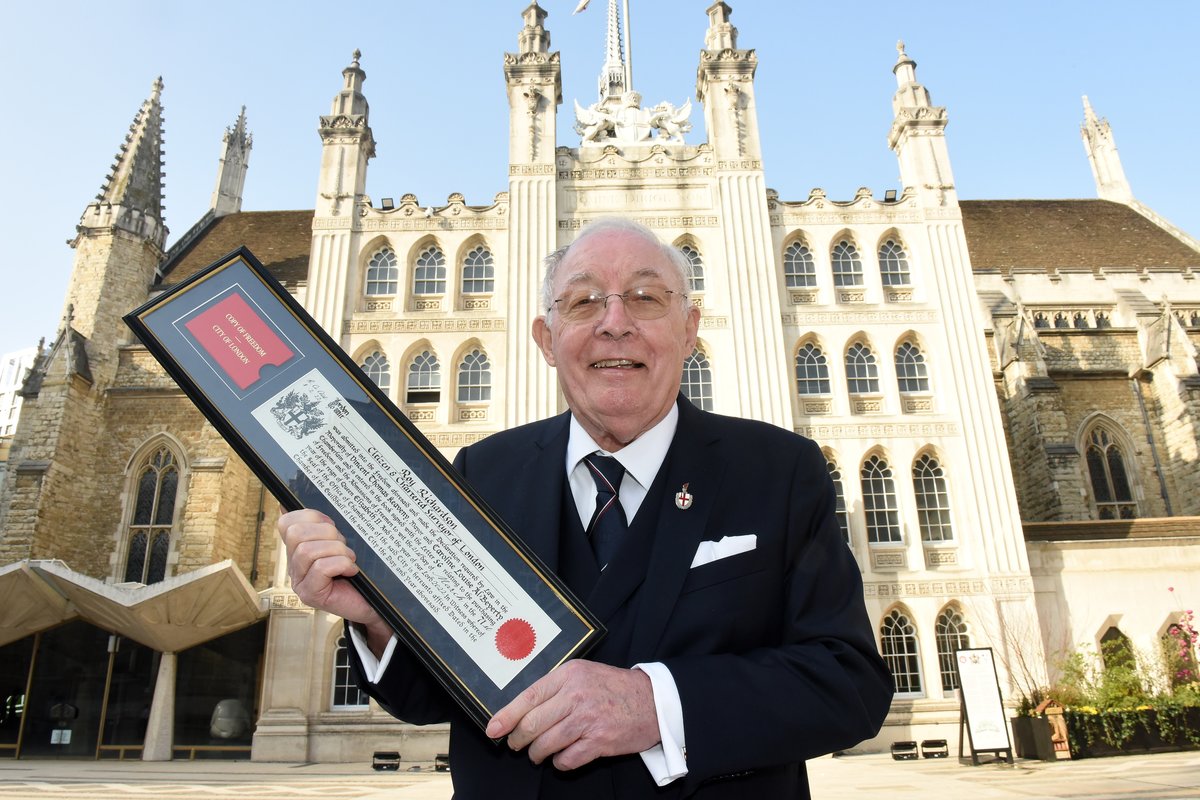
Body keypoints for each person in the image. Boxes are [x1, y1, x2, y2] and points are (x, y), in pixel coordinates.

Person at [279, 217, 892, 799]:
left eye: (646, 299)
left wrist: (658, 706)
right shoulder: (479, 476)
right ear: (547, 340)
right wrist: (380, 616)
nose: (615, 323)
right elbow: (431, 698)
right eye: (583, 302)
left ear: (690, 329)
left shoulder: (779, 470)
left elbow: (847, 681)